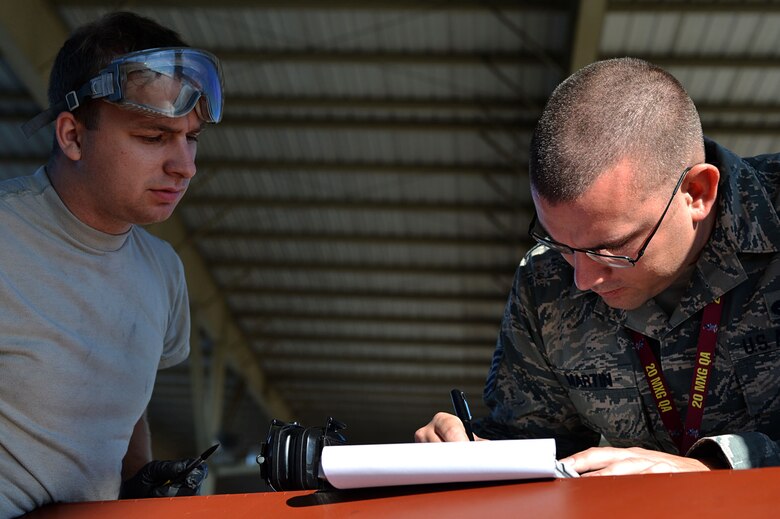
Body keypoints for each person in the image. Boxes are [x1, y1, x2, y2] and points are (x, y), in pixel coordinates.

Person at [415, 57, 780, 476]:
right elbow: (537, 444)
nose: (583, 279)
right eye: (562, 244)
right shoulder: (545, 282)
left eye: (613, 248)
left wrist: (712, 469)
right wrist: (477, 453)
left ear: (696, 193)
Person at [0, 11, 224, 516]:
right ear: (72, 136)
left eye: (191, 138)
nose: (184, 165)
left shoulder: (163, 271)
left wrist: (137, 484)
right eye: (153, 137)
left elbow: (127, 404)